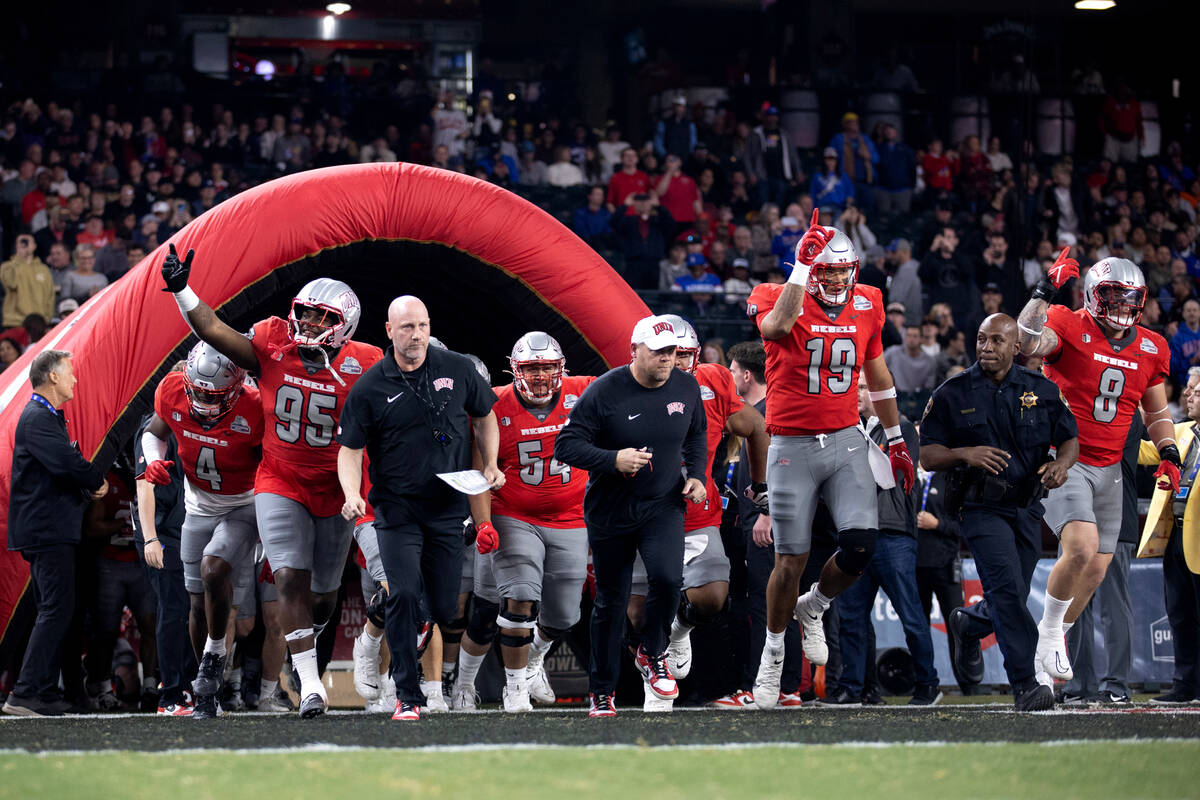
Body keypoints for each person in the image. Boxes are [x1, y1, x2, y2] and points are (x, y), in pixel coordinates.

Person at [161, 244, 383, 718]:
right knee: (287, 580)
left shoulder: (365, 363)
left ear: (345, 324)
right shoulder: (271, 340)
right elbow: (215, 330)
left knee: (322, 597)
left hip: (335, 490)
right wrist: (182, 291)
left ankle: (303, 653)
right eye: (305, 315)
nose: (309, 326)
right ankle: (310, 686)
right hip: (279, 481)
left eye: (323, 319)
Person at [745, 209, 916, 709]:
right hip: (791, 445)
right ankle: (774, 653)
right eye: (828, 270)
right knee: (790, 560)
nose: (839, 279)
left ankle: (815, 607)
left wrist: (896, 438)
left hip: (844, 439)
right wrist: (800, 269)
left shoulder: (869, 302)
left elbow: (878, 374)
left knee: (862, 545)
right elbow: (777, 328)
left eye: (845, 270)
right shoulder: (774, 294)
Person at [335, 296, 503, 721]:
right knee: (405, 594)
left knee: (445, 608)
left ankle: (383, 632)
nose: (417, 335)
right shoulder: (370, 386)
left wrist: (490, 462)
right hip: (396, 510)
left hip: (448, 508)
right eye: (407, 327)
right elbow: (350, 450)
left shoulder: (458, 368)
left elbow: (485, 416)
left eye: (423, 325)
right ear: (389, 331)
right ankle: (407, 695)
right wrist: (351, 492)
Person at [1017, 252, 1178, 685]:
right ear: (1092, 293)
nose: (1124, 306)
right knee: (1082, 546)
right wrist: (1043, 290)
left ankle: (1049, 646)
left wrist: (1168, 451)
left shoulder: (1152, 345)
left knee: (1097, 569)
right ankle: (1050, 631)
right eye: (1114, 295)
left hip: (1111, 469)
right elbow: (1027, 341)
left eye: (1131, 298)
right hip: (1065, 459)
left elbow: (1157, 411)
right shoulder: (1069, 323)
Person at [921, 314, 1079, 711]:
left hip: (1027, 506)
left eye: (996, 341)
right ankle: (1026, 685)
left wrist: (1061, 465)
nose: (986, 347)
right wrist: (964, 453)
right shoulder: (952, 392)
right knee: (1008, 592)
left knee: (1012, 593)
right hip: (979, 507)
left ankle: (968, 624)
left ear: (1016, 348)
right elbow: (926, 454)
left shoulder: (1042, 389)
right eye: (980, 339)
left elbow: (1070, 439)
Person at [554, 314, 708, 718]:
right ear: (634, 351)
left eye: (673, 352)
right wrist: (611, 459)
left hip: (663, 503)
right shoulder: (605, 391)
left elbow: (696, 434)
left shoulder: (688, 386)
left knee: (669, 579)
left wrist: (697, 475)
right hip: (612, 508)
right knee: (611, 600)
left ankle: (652, 651)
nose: (667, 359)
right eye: (658, 352)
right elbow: (566, 446)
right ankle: (601, 691)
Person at [628, 317, 768, 712]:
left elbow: (756, 426)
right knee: (638, 616)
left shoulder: (713, 381)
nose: (674, 362)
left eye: (683, 354)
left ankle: (678, 630)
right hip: (642, 514)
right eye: (665, 353)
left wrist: (760, 488)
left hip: (695, 513)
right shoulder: (627, 386)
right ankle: (652, 672)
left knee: (711, 599)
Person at [464, 332, 597, 712]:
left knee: (563, 616)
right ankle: (515, 687)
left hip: (570, 517)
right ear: (514, 369)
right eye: (530, 368)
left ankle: (536, 655)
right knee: (517, 598)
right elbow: (479, 471)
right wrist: (484, 523)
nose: (539, 376)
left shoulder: (584, 392)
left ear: (561, 369)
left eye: (546, 367)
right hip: (515, 514)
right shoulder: (495, 405)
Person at [138, 342, 264, 719]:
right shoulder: (173, 388)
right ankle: (206, 687)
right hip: (197, 507)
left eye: (215, 394)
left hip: (243, 503)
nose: (204, 402)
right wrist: (154, 460)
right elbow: (154, 432)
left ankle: (213, 658)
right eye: (199, 392)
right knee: (194, 602)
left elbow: (276, 460)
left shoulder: (255, 406)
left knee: (213, 567)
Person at [3, 350, 108, 717]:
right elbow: (66, 462)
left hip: (47, 528)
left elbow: (59, 467)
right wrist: (95, 480)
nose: (75, 380)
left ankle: (42, 690)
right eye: (69, 373)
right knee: (56, 608)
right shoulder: (37, 418)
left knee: (57, 608)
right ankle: (27, 692)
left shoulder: (42, 417)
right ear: (51, 377)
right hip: (46, 530)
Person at [831, 380, 939, 705]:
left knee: (910, 614)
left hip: (892, 533)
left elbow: (886, 475)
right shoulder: (850, 429)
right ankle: (854, 687)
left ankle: (928, 684)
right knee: (850, 617)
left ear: (883, 394)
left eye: (865, 387)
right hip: (856, 533)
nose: (858, 393)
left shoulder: (902, 429)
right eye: (856, 387)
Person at [1062, 415, 1143, 704]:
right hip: (1075, 519)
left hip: (1113, 519)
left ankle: (1117, 685)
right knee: (1074, 606)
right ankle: (1079, 684)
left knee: (1113, 605)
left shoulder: (1123, 411)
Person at [1137, 367, 1200, 704]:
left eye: (1195, 390)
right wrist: (1123, 419)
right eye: (1188, 389)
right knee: (1179, 614)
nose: (1187, 395)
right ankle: (1185, 685)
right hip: (1175, 536)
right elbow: (1145, 451)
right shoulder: (1180, 431)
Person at [131, 382, 195, 716]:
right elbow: (145, 487)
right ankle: (171, 693)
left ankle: (180, 682)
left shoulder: (187, 424)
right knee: (172, 609)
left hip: (182, 527)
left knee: (186, 608)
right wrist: (151, 537)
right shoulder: (153, 429)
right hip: (162, 530)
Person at [1, 234, 55, 329]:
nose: (24, 245)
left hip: (40, 322)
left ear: (34, 246)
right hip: (15, 322)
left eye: (27, 242)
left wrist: (47, 318)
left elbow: (50, 295)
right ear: (16, 246)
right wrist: (18, 259)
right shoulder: (7, 267)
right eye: (21, 242)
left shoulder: (43, 269)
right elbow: (11, 283)